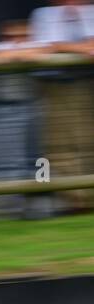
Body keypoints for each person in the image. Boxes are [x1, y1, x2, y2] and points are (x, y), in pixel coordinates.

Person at [29, 0, 94, 211]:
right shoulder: (44, 14)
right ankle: (75, 201)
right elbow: (45, 46)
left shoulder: (90, 12)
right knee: (59, 146)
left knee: (87, 141)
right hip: (57, 87)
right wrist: (78, 48)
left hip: (87, 84)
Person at [0, 20, 50, 220]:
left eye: (22, 37)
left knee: (39, 161)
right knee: (7, 164)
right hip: (3, 109)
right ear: (2, 37)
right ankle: (8, 212)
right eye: (10, 37)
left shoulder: (39, 45)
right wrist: (17, 54)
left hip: (33, 107)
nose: (16, 41)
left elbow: (46, 51)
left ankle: (42, 209)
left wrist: (19, 54)